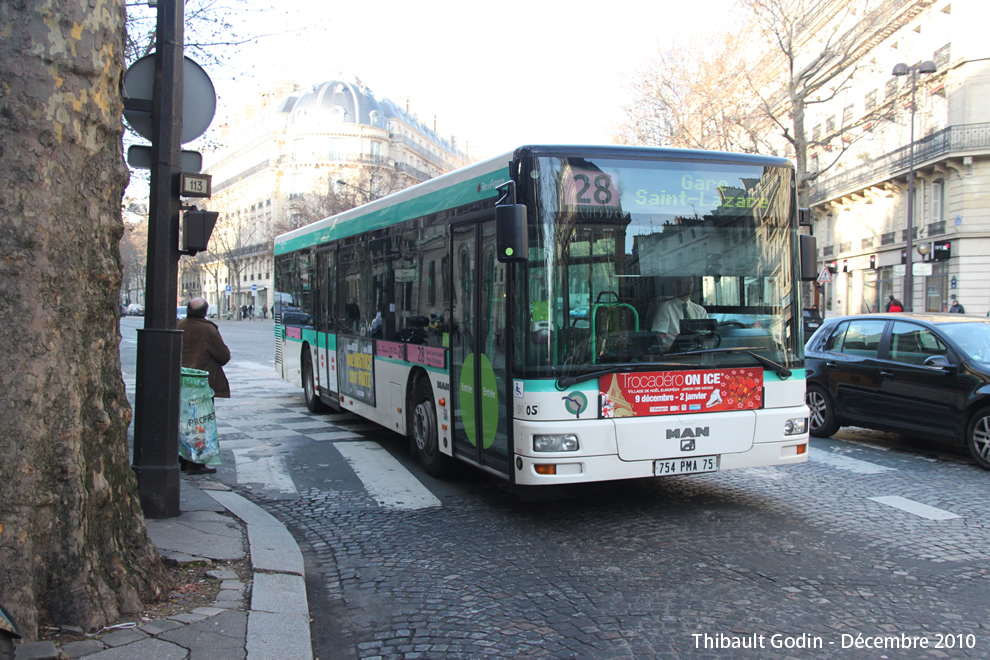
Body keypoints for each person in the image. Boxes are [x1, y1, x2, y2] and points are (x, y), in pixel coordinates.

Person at [177, 297, 231, 474]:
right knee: (200, 422)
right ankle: (196, 463)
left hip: (180, 382)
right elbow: (223, 356)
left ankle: (182, 459)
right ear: (205, 312)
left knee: (182, 421)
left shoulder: (179, 325)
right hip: (200, 384)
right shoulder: (208, 330)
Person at [652, 276, 708, 349]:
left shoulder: (700, 311)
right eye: (685, 283)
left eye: (691, 282)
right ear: (676, 285)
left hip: (697, 355)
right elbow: (658, 338)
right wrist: (673, 350)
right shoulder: (666, 308)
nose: (689, 286)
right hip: (673, 356)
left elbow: (708, 337)